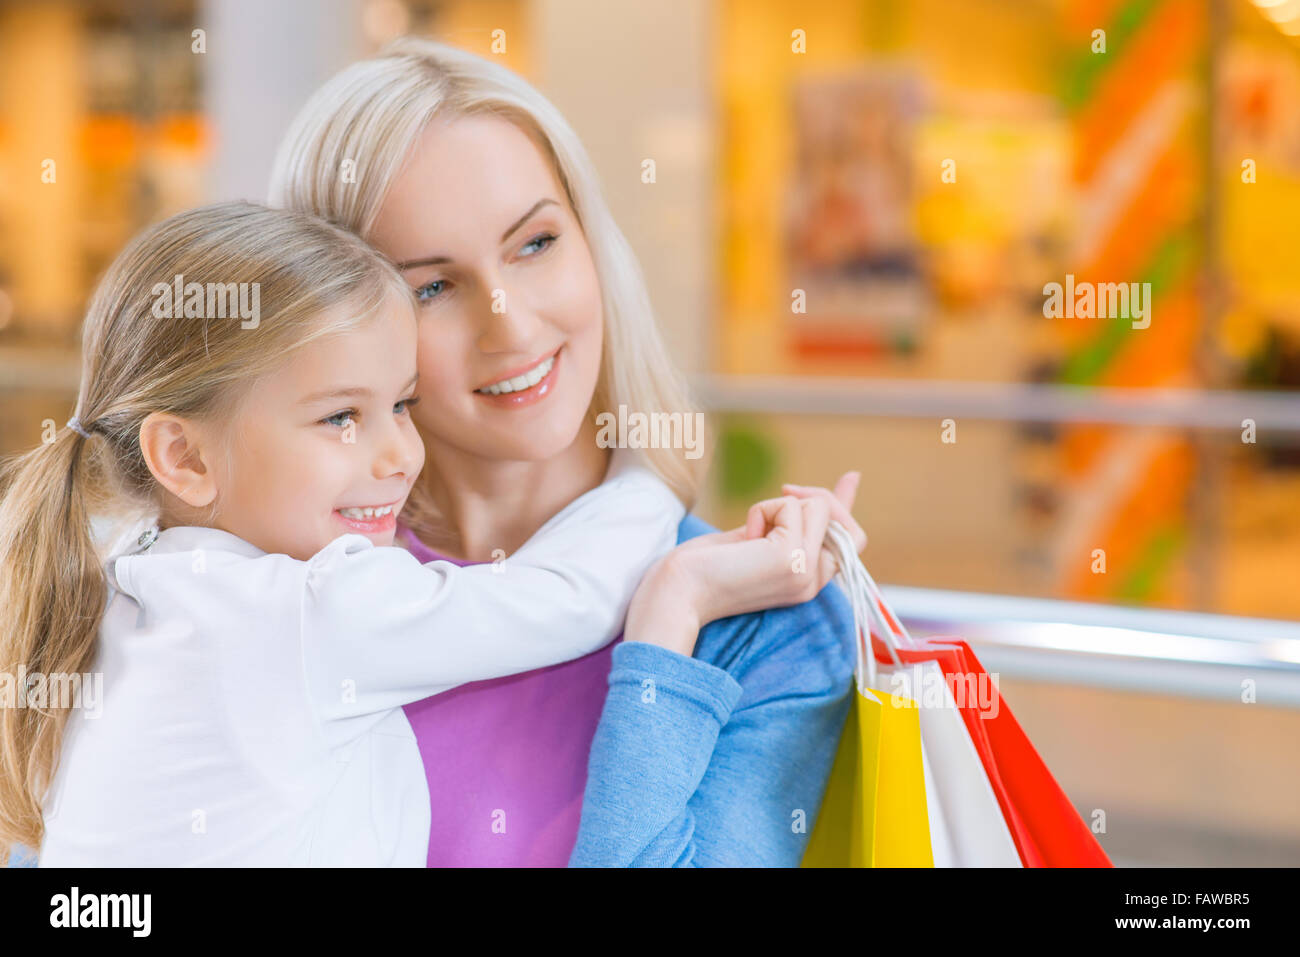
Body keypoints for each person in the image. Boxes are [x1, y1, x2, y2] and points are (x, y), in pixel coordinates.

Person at [0, 202, 844, 866]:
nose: (402, 452)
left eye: (400, 404)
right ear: (181, 455)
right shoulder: (313, 608)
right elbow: (567, 597)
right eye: (341, 417)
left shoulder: (105, 587)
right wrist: (645, 478)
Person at [270, 38, 865, 866]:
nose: (510, 323)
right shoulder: (291, 593)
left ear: (593, 244)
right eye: (432, 287)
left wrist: (666, 627)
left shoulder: (764, 626)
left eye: (535, 244)